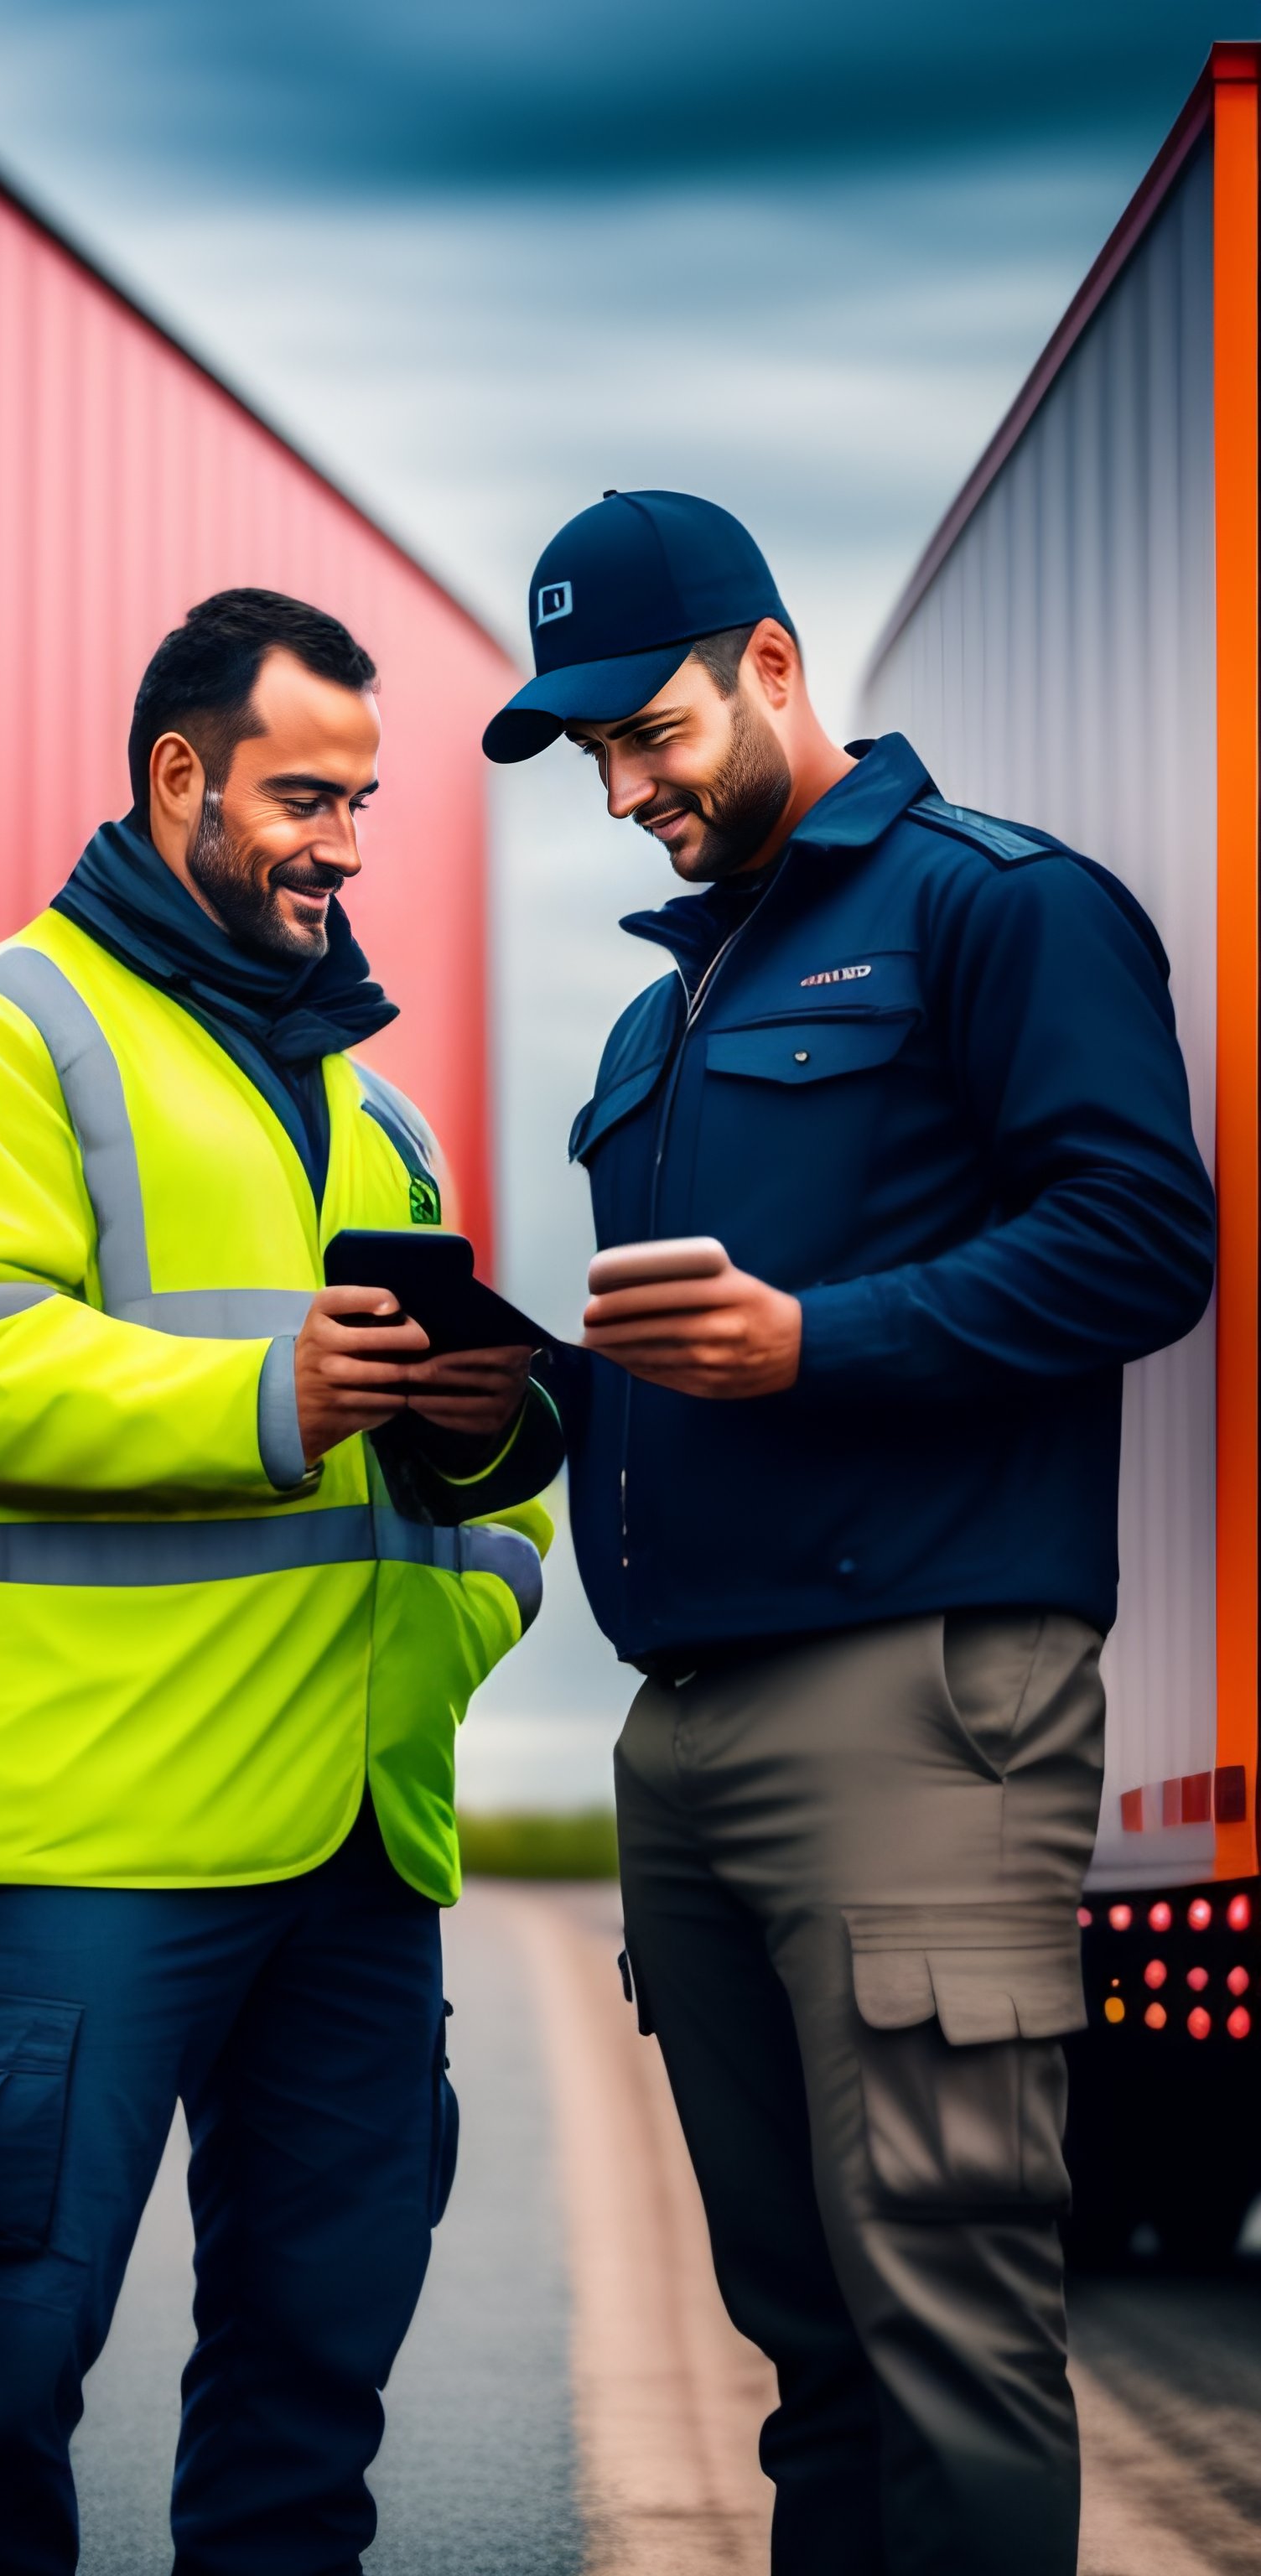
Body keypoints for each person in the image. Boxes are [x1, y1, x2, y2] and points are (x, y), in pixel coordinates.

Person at [483, 492, 1216, 2576]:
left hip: (918, 1709)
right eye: (591, 754)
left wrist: (815, 1340)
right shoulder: (656, 1025)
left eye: (651, 732)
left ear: (775, 669)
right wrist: (516, 1399)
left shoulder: (1002, 911)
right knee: (803, 2350)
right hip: (687, 1727)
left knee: (945, 2333)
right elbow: (681, 1366)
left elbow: (1142, 1242)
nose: (626, 788)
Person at [0, 587, 561, 2576]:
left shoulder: (384, 1118)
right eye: (300, 796)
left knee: (308, 2409)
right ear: (177, 779)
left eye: (362, 801)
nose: (340, 841)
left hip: (353, 1850)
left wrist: (495, 1471)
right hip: (98, 1832)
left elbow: (487, 1498)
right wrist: (273, 1389)